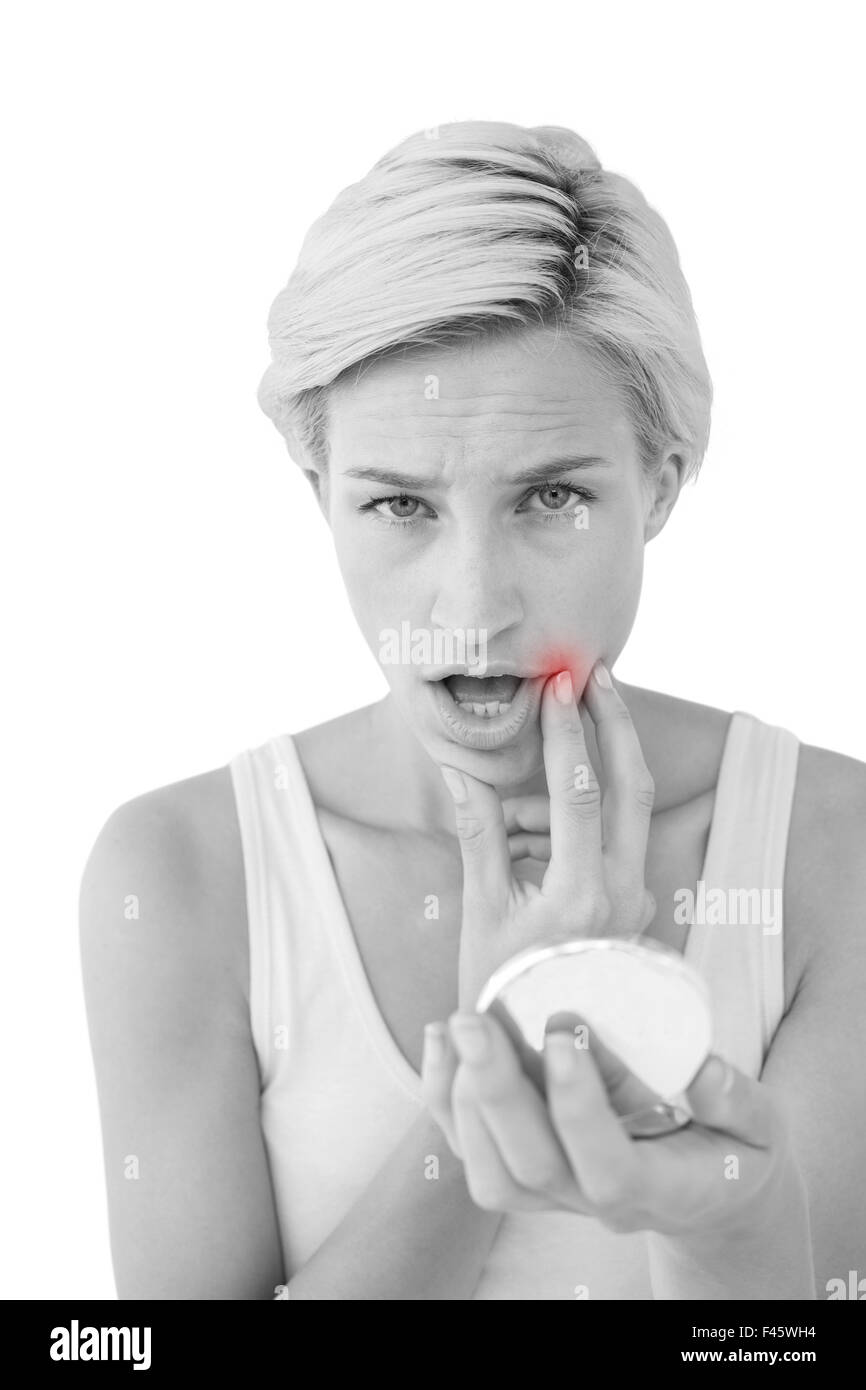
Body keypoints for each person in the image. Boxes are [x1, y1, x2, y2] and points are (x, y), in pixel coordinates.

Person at [79, 120, 866, 1300]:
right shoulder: (182, 874)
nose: (469, 607)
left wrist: (724, 1211)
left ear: (657, 484)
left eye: (550, 496)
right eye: (399, 506)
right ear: (317, 492)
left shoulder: (832, 850)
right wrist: (497, 1046)